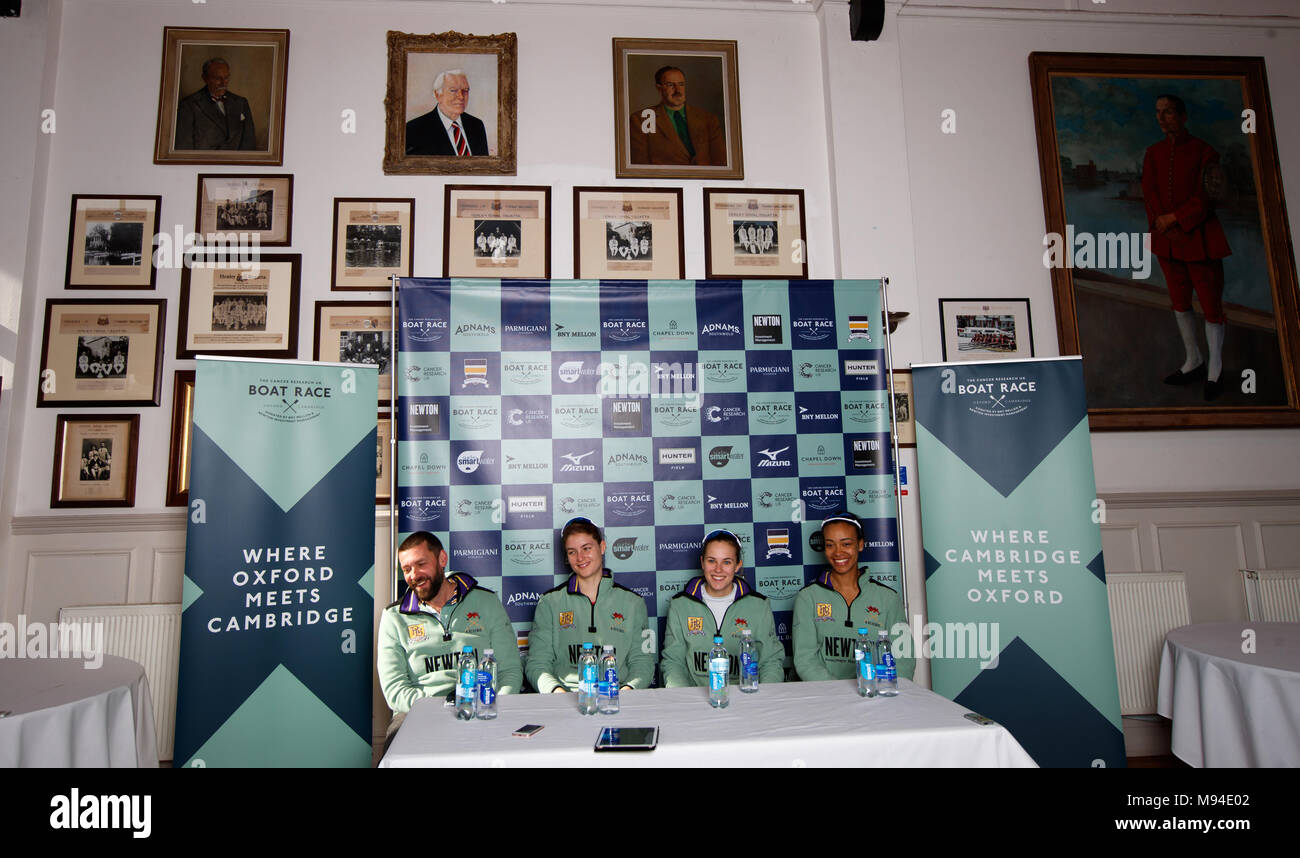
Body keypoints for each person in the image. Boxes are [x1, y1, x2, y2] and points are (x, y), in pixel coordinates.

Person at [377, 531, 522, 750]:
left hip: (484, 706)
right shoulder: (394, 617)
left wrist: (489, 706)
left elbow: (509, 672)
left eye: (421, 564)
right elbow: (395, 690)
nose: (413, 575)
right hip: (419, 713)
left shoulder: (486, 601)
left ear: (442, 559)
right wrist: (444, 708)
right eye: (406, 569)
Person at [1141, 93, 1233, 402]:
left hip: (1201, 239)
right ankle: (1193, 360)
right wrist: (1161, 223)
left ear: (1182, 116)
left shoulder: (1205, 152)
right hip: (1168, 241)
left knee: (1210, 306)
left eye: (1167, 112)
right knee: (1179, 303)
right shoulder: (1152, 153)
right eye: (1158, 112)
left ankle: (1215, 369)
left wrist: (1176, 218)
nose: (1161, 118)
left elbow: (1208, 196)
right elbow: (1149, 192)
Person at [525, 518, 654, 693]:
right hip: (565, 697)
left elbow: (643, 662)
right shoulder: (549, 602)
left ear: (602, 547)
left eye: (586, 548)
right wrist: (557, 694)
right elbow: (537, 664)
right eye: (572, 552)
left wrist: (625, 692)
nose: (580, 558)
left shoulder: (633, 602)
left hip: (618, 697)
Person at [792, 511, 914, 682]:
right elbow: (805, 660)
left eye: (846, 544)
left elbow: (903, 661)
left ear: (860, 544)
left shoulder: (888, 598)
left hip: (876, 698)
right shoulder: (808, 597)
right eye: (830, 545)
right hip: (827, 699)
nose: (838, 552)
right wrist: (840, 695)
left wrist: (883, 692)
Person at [659, 529, 785, 687]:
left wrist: (760, 699)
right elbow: (673, 662)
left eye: (727, 562)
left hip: (746, 700)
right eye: (712, 561)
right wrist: (686, 701)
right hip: (694, 700)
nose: (718, 569)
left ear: (738, 565)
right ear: (702, 562)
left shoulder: (759, 605)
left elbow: (771, 661)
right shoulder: (680, 604)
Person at [628, 65, 726, 167]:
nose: (677, 90)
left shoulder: (708, 119)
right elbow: (640, 166)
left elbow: (720, 162)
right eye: (670, 85)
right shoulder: (642, 119)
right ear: (659, 88)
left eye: (681, 84)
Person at [174, 57, 257, 151]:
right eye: (217, 78)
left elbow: (249, 142)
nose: (223, 83)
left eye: (226, 78)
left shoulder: (241, 102)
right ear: (205, 78)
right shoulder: (189, 105)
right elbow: (183, 147)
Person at [405, 70, 489, 156]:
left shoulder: (476, 125)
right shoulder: (414, 129)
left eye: (465, 90)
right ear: (437, 95)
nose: (461, 96)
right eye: (453, 90)